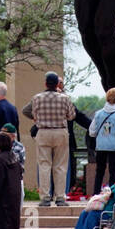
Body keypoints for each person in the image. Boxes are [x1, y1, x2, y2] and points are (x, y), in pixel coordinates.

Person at [23, 72, 77, 207]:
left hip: (43, 132)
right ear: (57, 84)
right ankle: (60, 197)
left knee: (44, 165)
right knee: (60, 166)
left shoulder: (37, 98)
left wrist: (36, 118)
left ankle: (45, 197)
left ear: (46, 84)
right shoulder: (64, 98)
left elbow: (26, 111)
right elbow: (72, 115)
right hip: (60, 132)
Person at [88, 87, 115, 195]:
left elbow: (92, 131)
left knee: (99, 171)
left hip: (101, 146)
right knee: (113, 172)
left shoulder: (98, 114)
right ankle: (112, 194)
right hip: (114, 147)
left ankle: (96, 193)